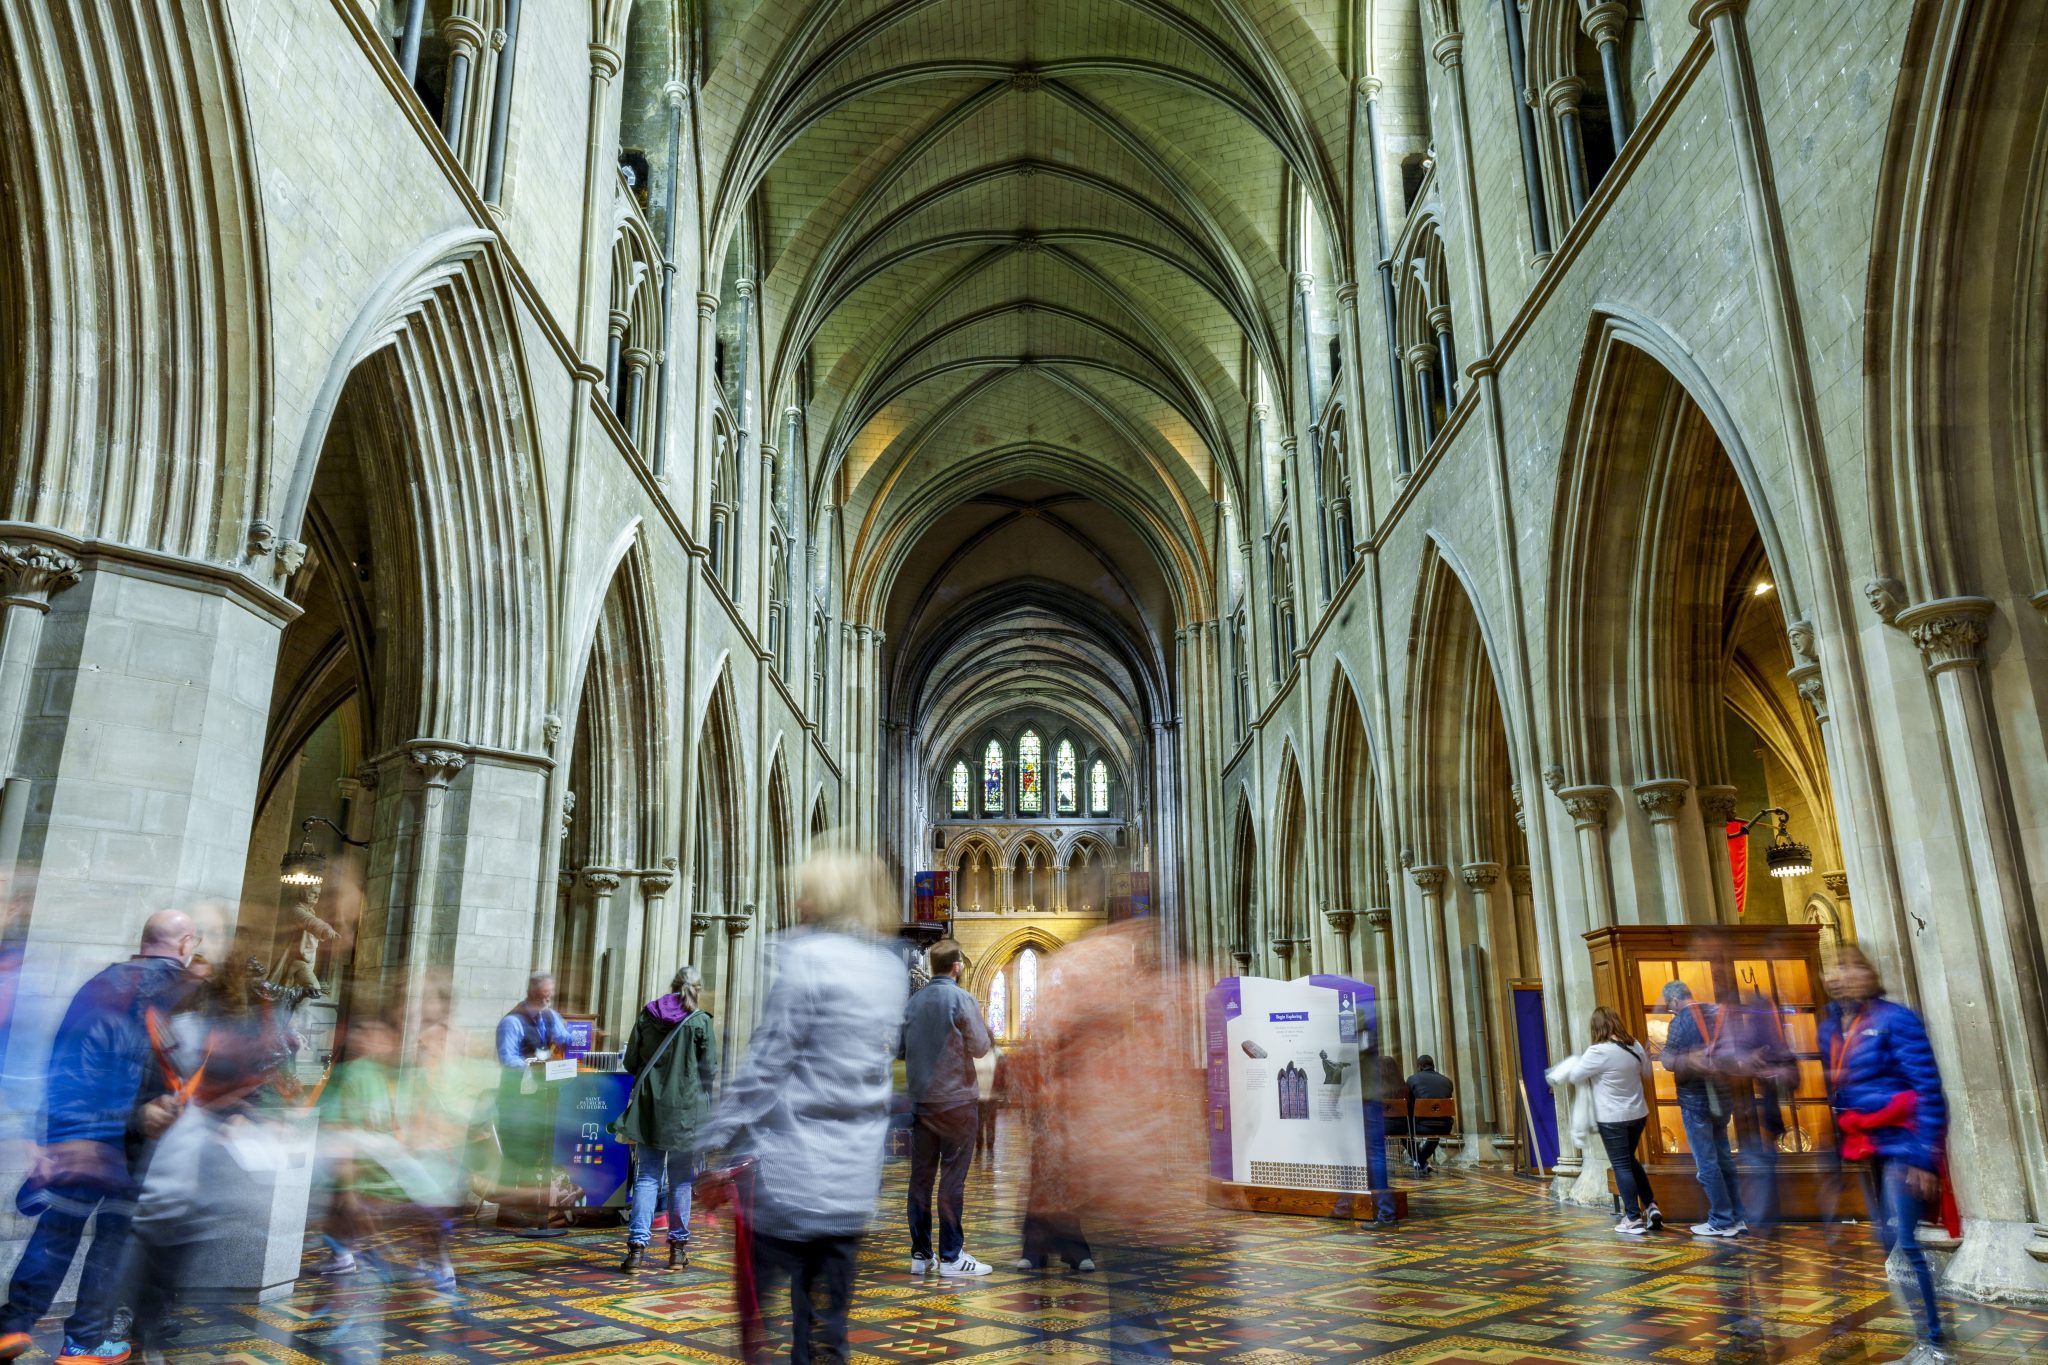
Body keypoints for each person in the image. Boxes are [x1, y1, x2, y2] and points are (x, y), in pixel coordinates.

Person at [697, 850, 910, 1364]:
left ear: (825, 898)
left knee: (756, 1325)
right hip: (853, 1185)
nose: (796, 903)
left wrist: (713, 1138)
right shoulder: (889, 969)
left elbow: (767, 1064)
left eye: (805, 893)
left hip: (790, 1178)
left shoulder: (806, 959)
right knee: (825, 1334)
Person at [0, 910, 199, 1365]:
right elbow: (172, 1069)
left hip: (76, 1132)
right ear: (186, 943)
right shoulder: (177, 991)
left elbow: (65, 1057)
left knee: (57, 1231)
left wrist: (53, 1133)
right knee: (113, 1239)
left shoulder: (101, 982)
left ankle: (12, 1326)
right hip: (131, 1140)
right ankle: (84, 1342)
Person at [1821, 947, 1949, 1361]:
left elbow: (1927, 1088)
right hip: (1865, 1148)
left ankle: (1934, 1345)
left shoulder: (1895, 1019)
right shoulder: (1832, 1027)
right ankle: (1923, 1340)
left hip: (1902, 1146)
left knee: (1906, 1245)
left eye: (1849, 967)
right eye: (1833, 969)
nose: (1839, 976)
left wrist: (1923, 1158)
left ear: (1869, 974)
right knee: (1889, 1241)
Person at [899, 936, 994, 1277]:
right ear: (957, 967)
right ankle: (952, 1257)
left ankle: (921, 1254)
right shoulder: (961, 998)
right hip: (956, 1102)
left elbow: (900, 1049)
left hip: (922, 1102)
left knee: (921, 1179)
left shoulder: (913, 1002)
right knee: (952, 1179)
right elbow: (980, 1047)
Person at [616, 965, 717, 1273]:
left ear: (672, 985)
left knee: (647, 1177)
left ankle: (636, 1251)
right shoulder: (699, 1021)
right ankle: (677, 1251)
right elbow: (709, 1069)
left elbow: (631, 1061)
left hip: (650, 1109)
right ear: (697, 990)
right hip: (686, 1111)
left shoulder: (648, 1015)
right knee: (681, 1179)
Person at [1547, 1006, 1662, 1234]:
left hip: (1612, 1117)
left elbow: (1576, 1075)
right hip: (1638, 1114)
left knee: (1621, 1165)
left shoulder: (1598, 1051)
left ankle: (1633, 1218)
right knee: (1630, 1161)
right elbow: (1647, 1071)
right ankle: (1651, 1205)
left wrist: (1573, 1062)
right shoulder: (1635, 1045)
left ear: (1596, 1027)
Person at [1658, 980, 1743, 1238]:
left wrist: (1683, 1059)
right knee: (1724, 1158)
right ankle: (1737, 1217)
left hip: (1695, 1099)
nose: (1669, 1008)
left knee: (1706, 1162)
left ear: (1674, 1000)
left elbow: (1668, 1060)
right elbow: (1733, 1054)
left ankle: (1721, 1218)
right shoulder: (1718, 1013)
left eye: (1669, 1004)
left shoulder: (1680, 1022)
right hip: (1722, 1098)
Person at [494, 972, 571, 1230]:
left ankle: (530, 1207)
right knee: (515, 1154)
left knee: (535, 1153)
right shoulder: (512, 1022)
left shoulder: (548, 1016)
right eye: (543, 995)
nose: (547, 999)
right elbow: (508, 1059)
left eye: (550, 995)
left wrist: (574, 1037)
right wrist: (535, 1065)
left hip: (539, 1098)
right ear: (532, 993)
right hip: (515, 1098)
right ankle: (506, 1211)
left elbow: (565, 1036)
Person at [1405, 1055, 1454, 1173]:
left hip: (1421, 1126)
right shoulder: (1447, 1081)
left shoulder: (1412, 1079)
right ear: (1433, 1066)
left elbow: (1409, 1104)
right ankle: (1422, 1162)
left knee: (1403, 1131)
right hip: (1445, 1127)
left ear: (1419, 1067)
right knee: (1436, 1130)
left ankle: (1420, 1161)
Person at [973, 1043, 1000, 1160]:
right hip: (977, 1097)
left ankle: (990, 1148)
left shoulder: (997, 1052)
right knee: (978, 1124)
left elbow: (1002, 1072)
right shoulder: (973, 1053)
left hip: (992, 1096)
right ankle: (979, 1148)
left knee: (990, 1124)